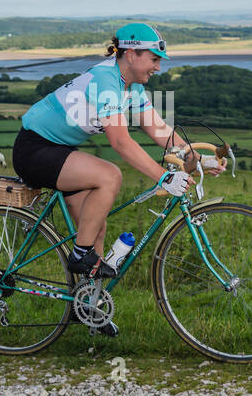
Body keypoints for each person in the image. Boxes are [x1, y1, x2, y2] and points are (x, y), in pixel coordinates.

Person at [12, 23, 223, 333]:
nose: (158, 67)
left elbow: (161, 133)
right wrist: (164, 178)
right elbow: (120, 143)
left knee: (95, 226)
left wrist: (195, 159)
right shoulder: (105, 82)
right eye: (154, 59)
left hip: (60, 150)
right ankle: (80, 255)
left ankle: (86, 307)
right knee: (110, 175)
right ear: (132, 53)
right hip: (35, 149)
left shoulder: (130, 87)